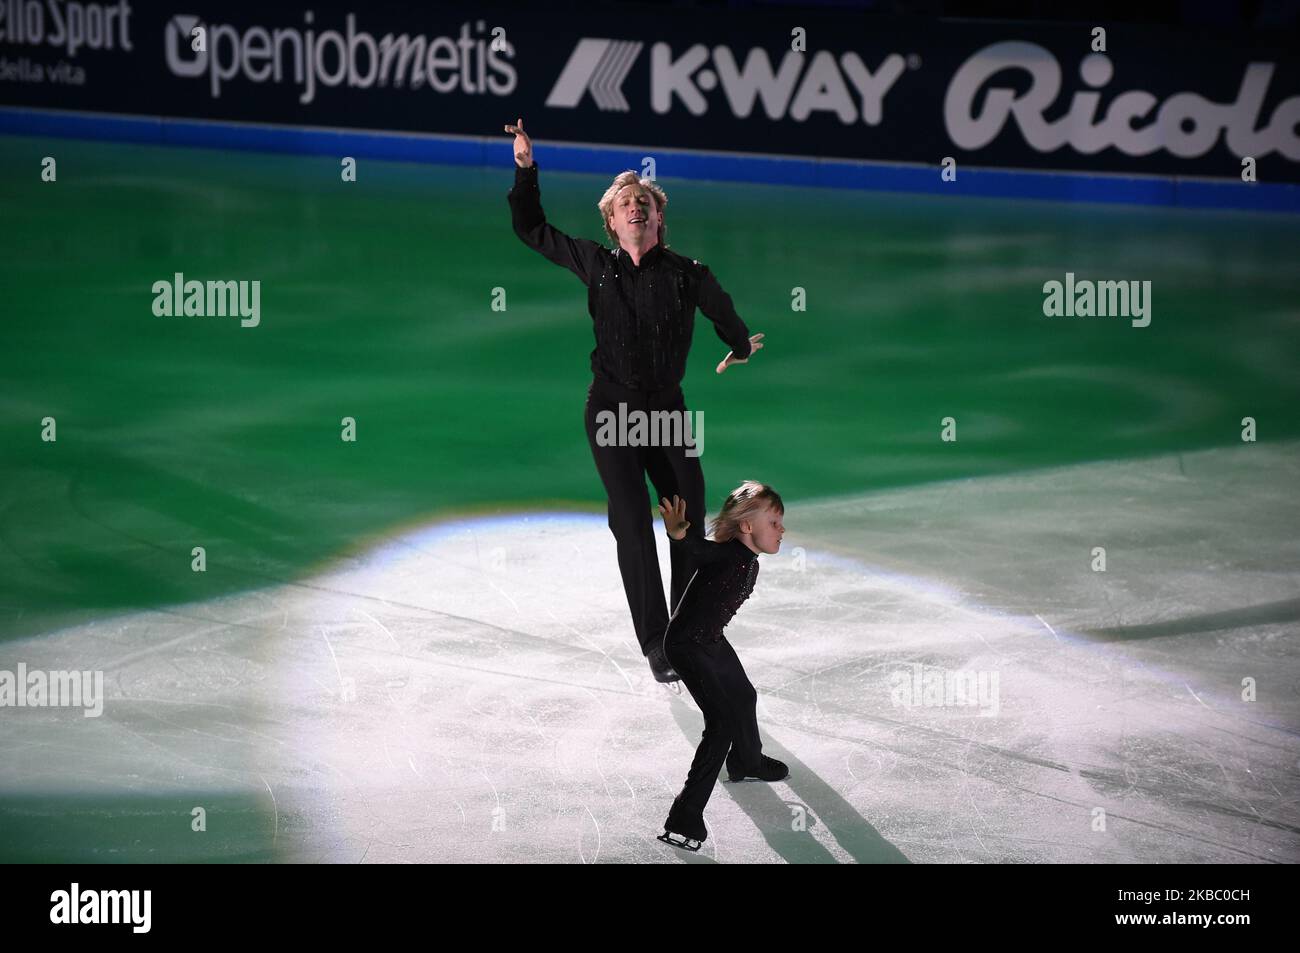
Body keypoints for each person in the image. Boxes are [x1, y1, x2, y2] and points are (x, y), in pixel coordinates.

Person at [503, 117, 765, 683]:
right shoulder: (596, 265)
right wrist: (526, 170)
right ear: (611, 221)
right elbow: (532, 229)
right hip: (613, 410)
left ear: (659, 217)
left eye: (643, 200)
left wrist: (740, 345)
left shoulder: (688, 275)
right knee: (629, 517)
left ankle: (689, 628)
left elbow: (724, 314)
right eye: (625, 203)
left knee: (687, 514)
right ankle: (656, 641)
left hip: (667, 413)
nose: (635, 207)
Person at [655, 484, 790, 851]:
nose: (782, 529)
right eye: (774, 522)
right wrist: (679, 533)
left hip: (709, 638)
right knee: (721, 723)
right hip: (687, 644)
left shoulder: (748, 560)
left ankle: (747, 760)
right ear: (747, 526)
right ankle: (684, 817)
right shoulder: (727, 555)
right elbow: (697, 549)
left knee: (743, 696)